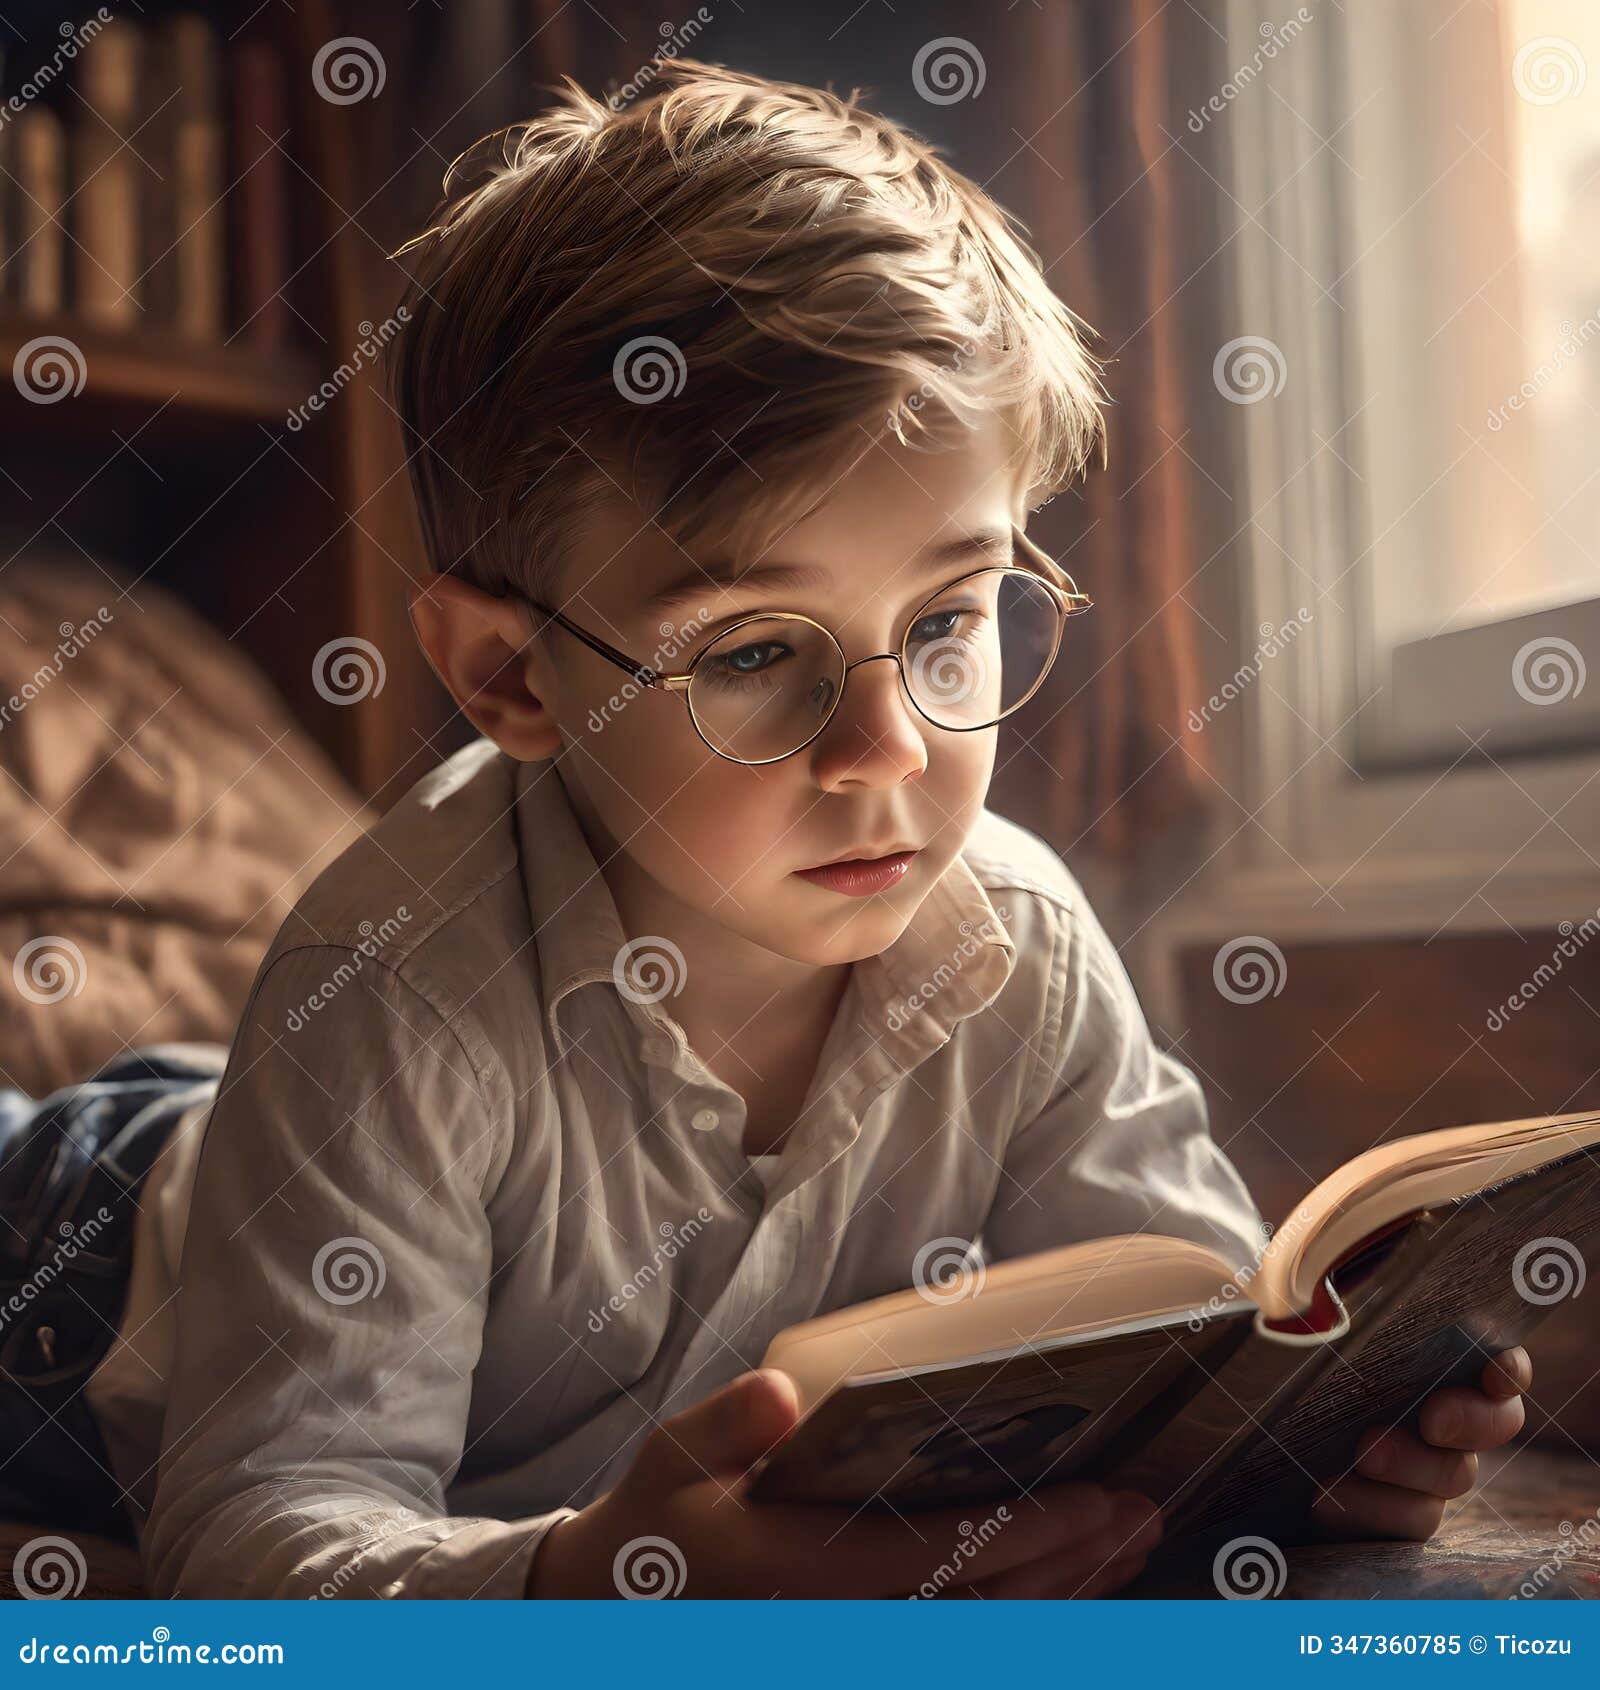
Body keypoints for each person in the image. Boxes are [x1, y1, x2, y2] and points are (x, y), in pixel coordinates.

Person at [67, 59, 1527, 1599]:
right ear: (510, 676)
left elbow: (1189, 1339)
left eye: (951, 617)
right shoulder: (392, 984)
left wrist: (1310, 1447)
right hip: (99, 1255)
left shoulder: (1014, 944)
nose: (886, 747)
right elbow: (252, 1541)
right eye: (755, 651)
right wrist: (595, 1585)